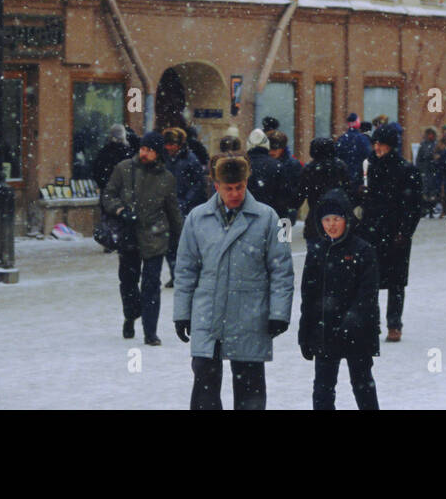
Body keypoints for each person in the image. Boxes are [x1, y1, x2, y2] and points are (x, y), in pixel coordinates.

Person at [174, 156, 294, 410]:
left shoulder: (268, 217)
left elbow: (282, 270)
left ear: (246, 183)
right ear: (216, 186)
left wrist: (279, 313)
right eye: (228, 188)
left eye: (239, 186)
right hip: (208, 313)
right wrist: (182, 313)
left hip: (250, 313)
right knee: (204, 379)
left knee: (250, 384)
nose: (235, 193)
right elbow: (185, 270)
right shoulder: (197, 218)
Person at [297, 190, 380, 410]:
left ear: (347, 219)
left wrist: (353, 320)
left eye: (337, 219)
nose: (331, 225)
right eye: (327, 220)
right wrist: (305, 332)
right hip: (325, 330)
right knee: (322, 389)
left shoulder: (363, 250)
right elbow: (308, 296)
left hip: (357, 332)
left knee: (362, 384)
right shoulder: (317, 251)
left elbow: (368, 294)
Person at [103, 130, 182, 345]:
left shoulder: (166, 179)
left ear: (158, 153)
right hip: (129, 235)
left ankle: (150, 332)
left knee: (151, 285)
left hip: (155, 237)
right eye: (143, 149)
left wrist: (181, 238)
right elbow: (108, 195)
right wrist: (120, 210)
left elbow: (173, 210)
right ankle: (130, 315)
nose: (144, 153)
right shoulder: (124, 169)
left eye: (150, 150)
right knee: (128, 282)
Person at [360, 123, 421, 342]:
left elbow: (414, 205)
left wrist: (405, 231)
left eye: (381, 144)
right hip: (372, 232)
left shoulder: (406, 170)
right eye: (375, 143)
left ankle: (394, 324)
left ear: (391, 145)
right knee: (370, 281)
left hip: (396, 234)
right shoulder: (370, 167)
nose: (377, 148)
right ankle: (372, 323)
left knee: (396, 282)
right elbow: (365, 200)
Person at [164, 126, 208, 287]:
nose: (169, 147)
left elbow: (198, 184)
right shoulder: (165, 159)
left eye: (172, 144)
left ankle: (187, 275)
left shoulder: (190, 159)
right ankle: (175, 274)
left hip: (185, 206)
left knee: (185, 243)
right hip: (169, 206)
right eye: (167, 144)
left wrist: (186, 201)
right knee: (170, 244)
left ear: (180, 144)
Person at [299, 137, 362, 241]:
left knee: (316, 243)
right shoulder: (340, 166)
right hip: (338, 213)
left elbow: (301, 192)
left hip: (315, 215)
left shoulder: (309, 168)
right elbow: (349, 190)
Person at [266, 130, 303, 221]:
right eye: (269, 149)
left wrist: (291, 206)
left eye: (275, 149)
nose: (271, 152)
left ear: (282, 149)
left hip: (284, 211)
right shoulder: (266, 163)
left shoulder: (293, 165)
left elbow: (299, 189)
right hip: (270, 209)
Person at [91, 125, 132, 191]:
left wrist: (103, 185)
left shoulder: (104, 152)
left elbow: (96, 171)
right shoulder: (128, 153)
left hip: (107, 190)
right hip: (124, 191)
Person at [336, 113, 373, 186]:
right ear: (357, 122)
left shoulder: (342, 139)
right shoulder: (363, 139)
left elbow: (337, 156)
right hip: (358, 176)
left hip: (344, 177)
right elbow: (368, 156)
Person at [414, 128, 440, 218]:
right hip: (425, 170)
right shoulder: (423, 145)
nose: (430, 136)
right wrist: (419, 169)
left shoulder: (437, 144)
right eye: (429, 134)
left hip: (433, 170)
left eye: (432, 134)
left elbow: (439, 156)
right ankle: (425, 209)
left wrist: (436, 161)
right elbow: (419, 159)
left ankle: (432, 209)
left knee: (433, 191)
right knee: (424, 190)